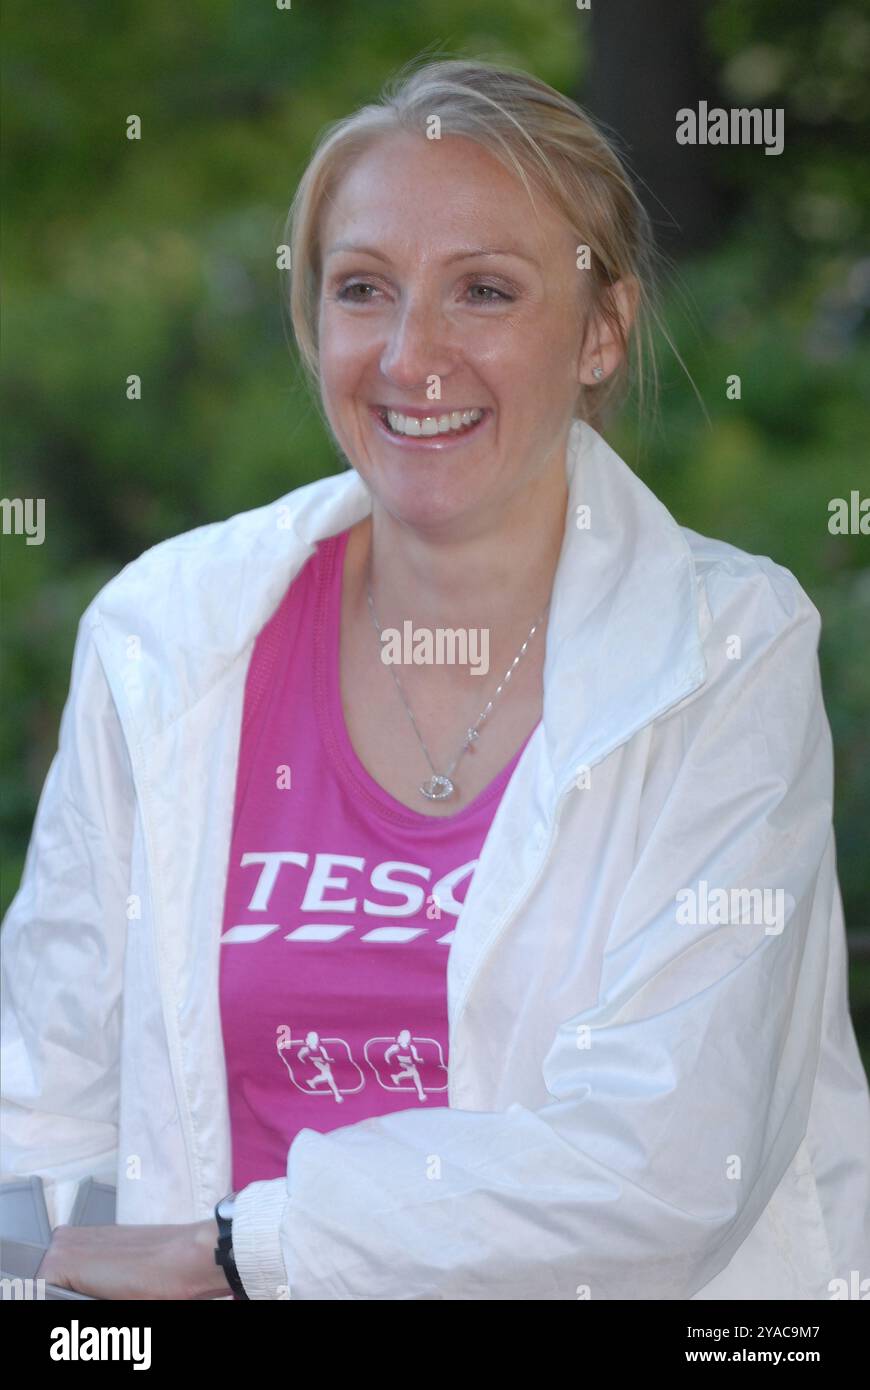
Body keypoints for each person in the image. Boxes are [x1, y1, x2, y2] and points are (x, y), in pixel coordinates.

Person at [2, 56, 869, 1302]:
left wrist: (247, 1251)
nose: (414, 357)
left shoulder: (727, 652)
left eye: (484, 292)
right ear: (314, 325)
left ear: (601, 332)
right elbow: (40, 1109)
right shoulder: (165, 634)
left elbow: (663, 1162)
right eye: (365, 289)